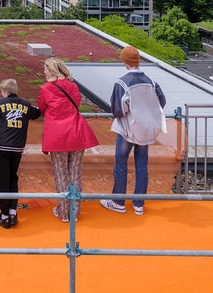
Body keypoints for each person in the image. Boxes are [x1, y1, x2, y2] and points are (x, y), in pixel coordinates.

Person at [101, 46, 167, 216]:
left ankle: (118, 202)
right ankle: (139, 204)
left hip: (127, 130)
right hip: (146, 131)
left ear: (124, 61)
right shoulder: (151, 82)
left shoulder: (122, 83)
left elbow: (117, 110)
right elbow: (162, 101)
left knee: (121, 165)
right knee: (142, 166)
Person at [38, 57, 99, 223]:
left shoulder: (46, 89)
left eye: (45, 68)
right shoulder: (73, 86)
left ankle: (64, 212)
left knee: (61, 174)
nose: (43, 71)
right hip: (77, 132)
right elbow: (76, 104)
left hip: (58, 135)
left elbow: (42, 108)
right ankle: (75, 210)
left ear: (51, 70)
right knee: (75, 173)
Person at [0, 79, 41, 228]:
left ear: (2, 91)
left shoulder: (0, 103)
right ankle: (13, 212)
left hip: (3, 148)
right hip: (18, 148)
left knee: (3, 181)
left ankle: (4, 216)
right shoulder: (25, 104)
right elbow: (37, 112)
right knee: (13, 178)